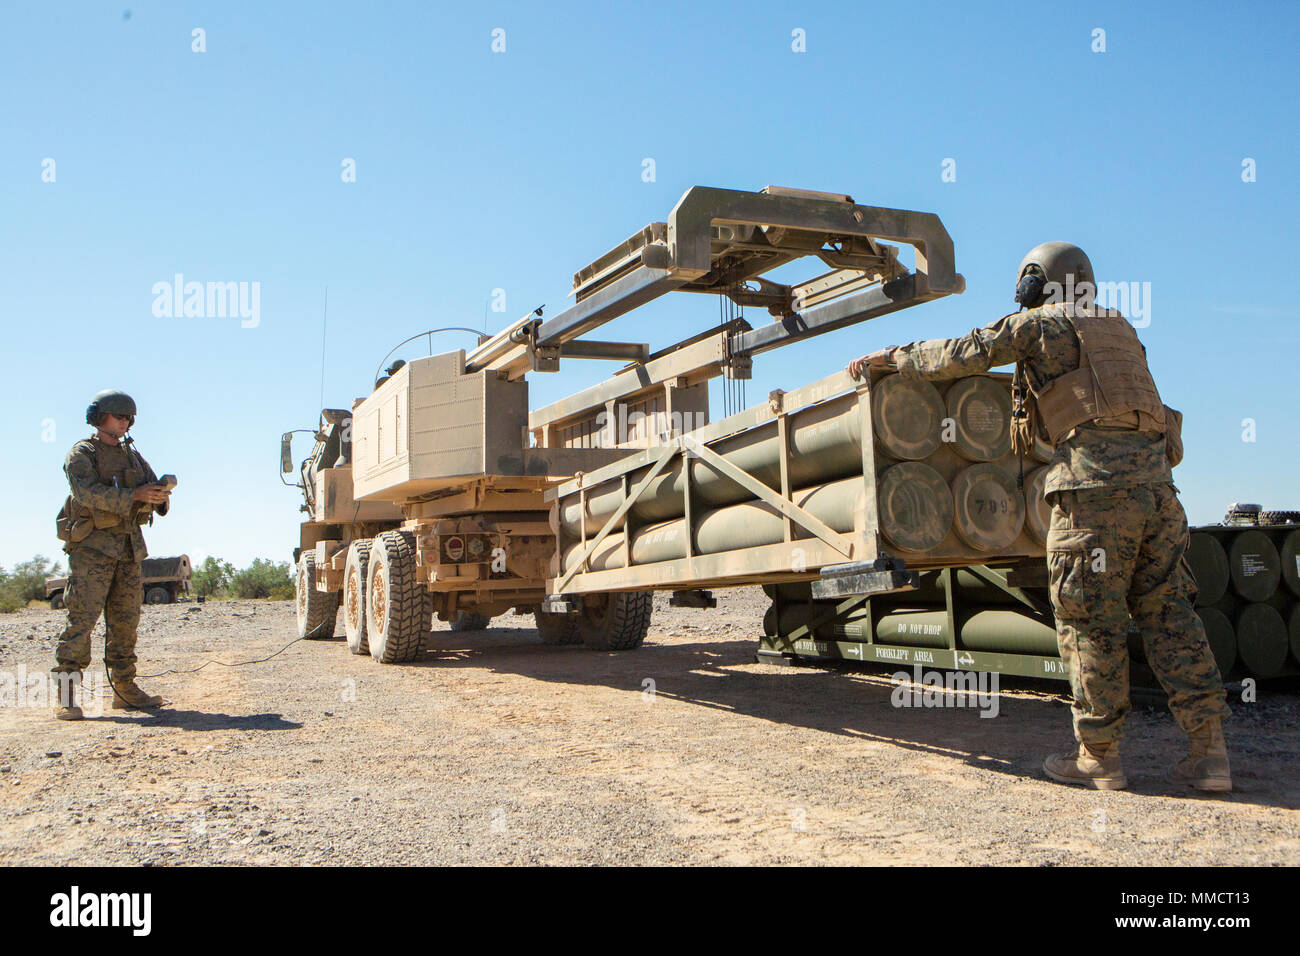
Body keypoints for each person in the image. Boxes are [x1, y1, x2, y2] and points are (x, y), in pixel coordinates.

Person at [847, 242, 1231, 792]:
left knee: (1089, 622)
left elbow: (964, 351)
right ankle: (1210, 754)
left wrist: (891, 358)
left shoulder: (1042, 324)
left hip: (1093, 496)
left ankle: (1099, 757)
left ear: (1035, 283)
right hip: (1161, 497)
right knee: (1172, 617)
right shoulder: (1120, 329)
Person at [52, 389, 172, 720]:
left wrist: (158, 495)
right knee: (82, 621)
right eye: (119, 415)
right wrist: (134, 494)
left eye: (128, 417)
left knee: (125, 624)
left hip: (128, 549)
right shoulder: (82, 453)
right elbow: (87, 493)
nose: (125, 421)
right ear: (99, 417)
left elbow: (149, 486)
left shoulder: (133, 456)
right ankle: (66, 695)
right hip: (92, 550)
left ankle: (125, 690)